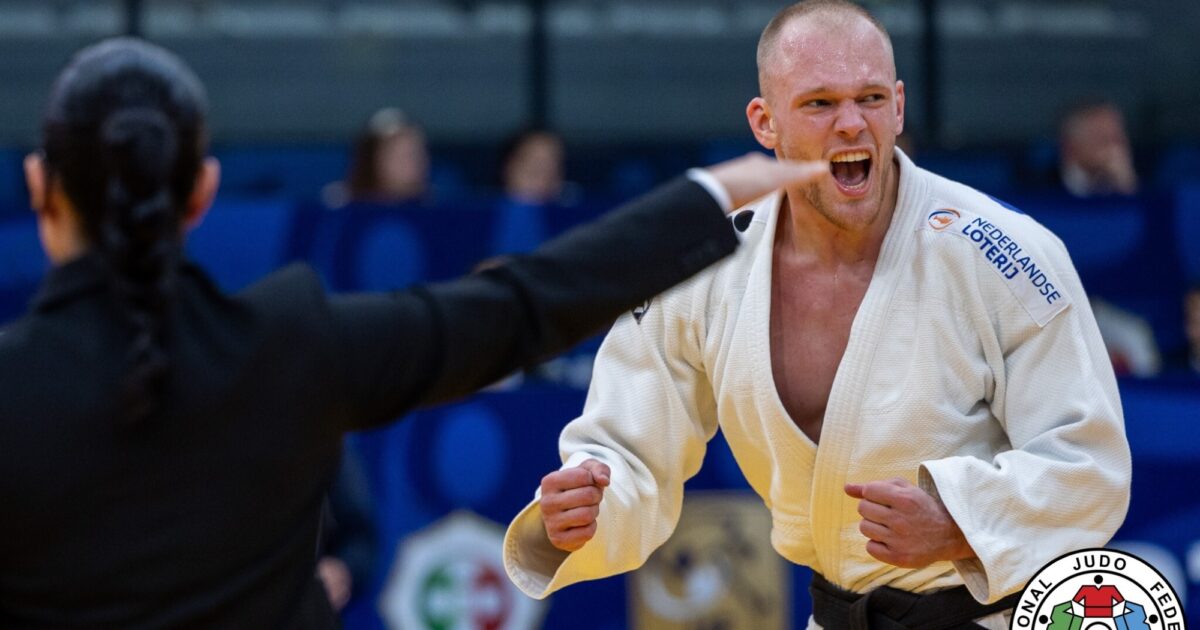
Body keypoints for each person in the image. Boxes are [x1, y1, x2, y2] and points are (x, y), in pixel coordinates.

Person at [0, 38, 826, 628]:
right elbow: (517, 308)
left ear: (40, 185)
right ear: (202, 191)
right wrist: (708, 197)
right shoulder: (291, 344)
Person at [503, 2, 1131, 629]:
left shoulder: (1005, 254)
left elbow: (1090, 464)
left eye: (871, 98)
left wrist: (961, 523)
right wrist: (583, 508)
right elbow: (626, 445)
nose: (852, 123)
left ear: (899, 107)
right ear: (765, 122)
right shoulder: (702, 266)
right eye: (820, 103)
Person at [323, 107, 431, 208]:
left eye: (416, 154)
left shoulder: (431, 207)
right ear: (372, 159)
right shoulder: (340, 203)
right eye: (401, 155)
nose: (411, 164)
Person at [1058, 100, 1139, 198]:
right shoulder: (1047, 188)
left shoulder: (1144, 183)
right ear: (1070, 147)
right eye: (1102, 138)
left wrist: (1127, 184)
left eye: (1117, 137)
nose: (1114, 147)